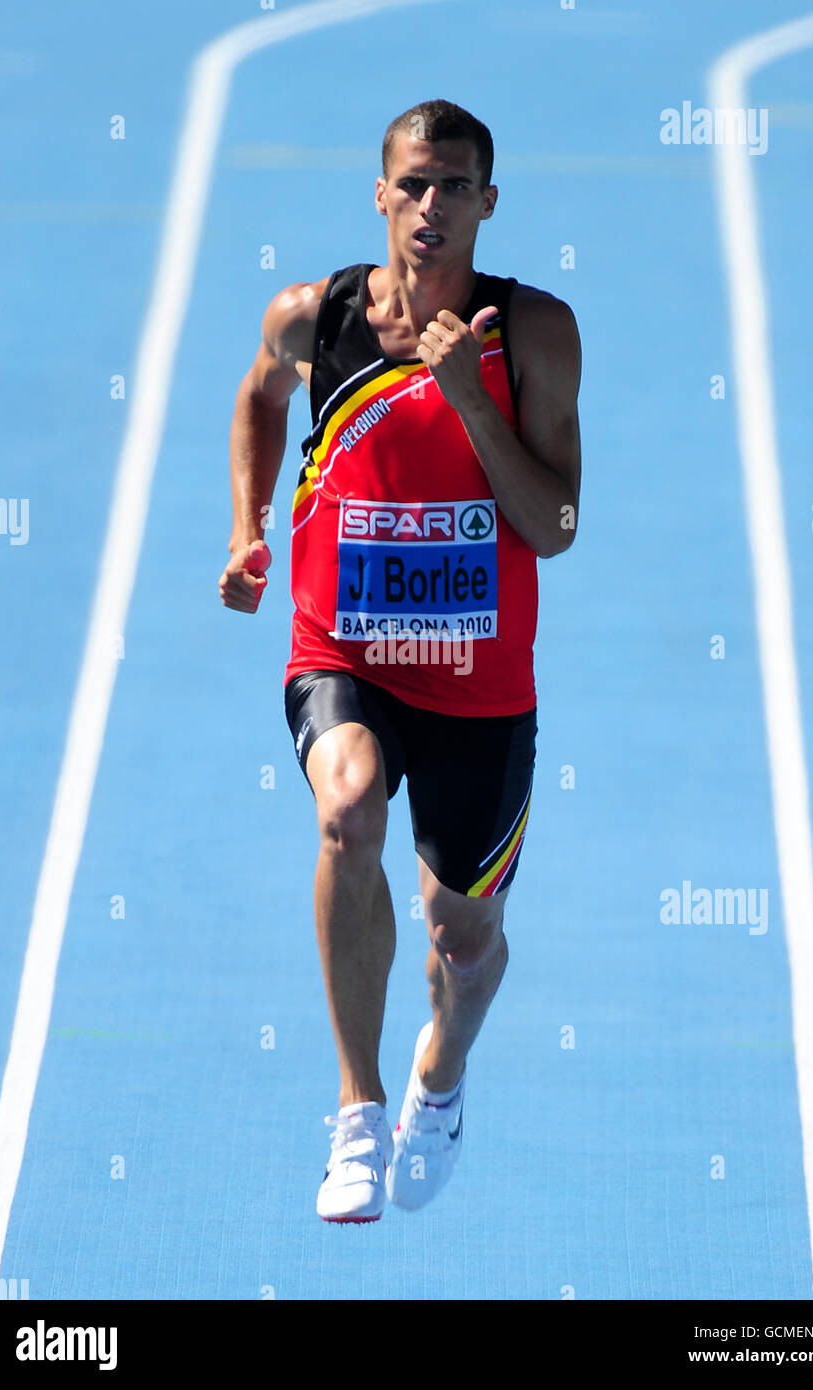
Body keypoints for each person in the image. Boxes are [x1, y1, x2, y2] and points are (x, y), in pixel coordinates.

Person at [219, 99, 581, 1223]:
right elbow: (258, 395)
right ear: (380, 193)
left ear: (486, 202)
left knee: (460, 944)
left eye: (454, 186)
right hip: (346, 650)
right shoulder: (312, 316)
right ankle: (356, 1108)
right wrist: (248, 527)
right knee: (348, 808)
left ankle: (441, 1074)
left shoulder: (531, 334)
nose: (431, 207)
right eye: (413, 184)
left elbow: (553, 523)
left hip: (479, 684)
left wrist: (469, 396)